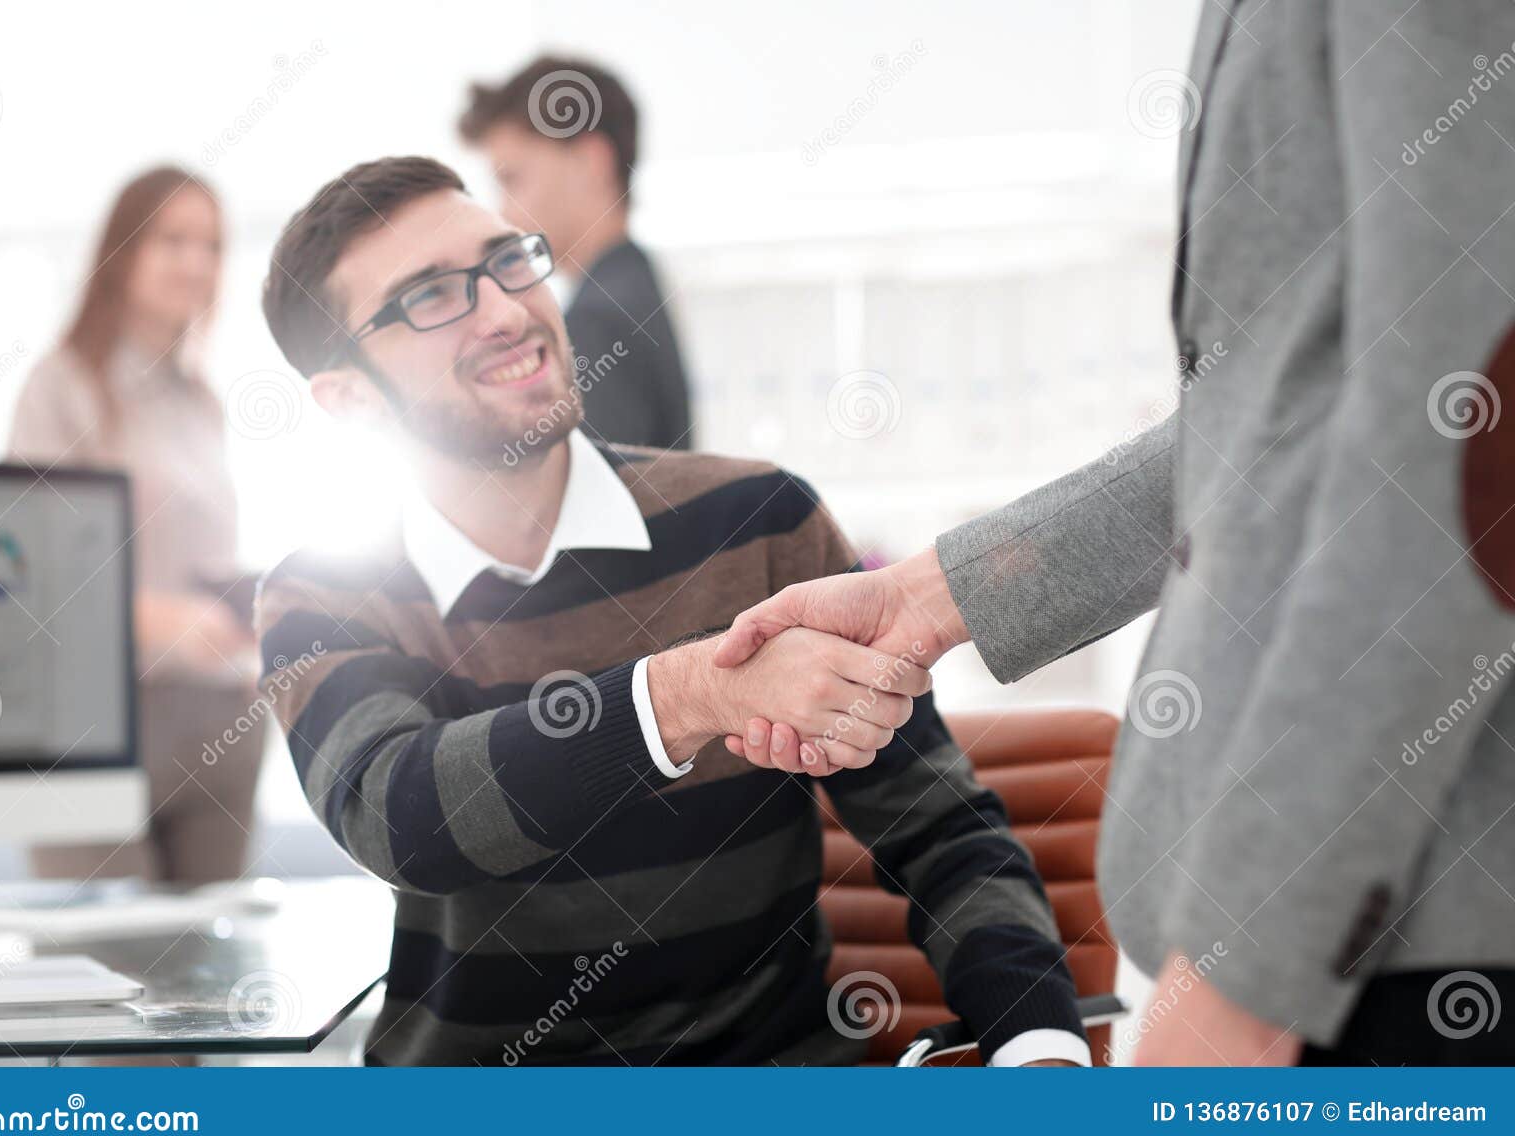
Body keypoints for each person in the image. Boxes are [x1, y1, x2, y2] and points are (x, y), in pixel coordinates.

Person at [714, 0, 1515, 1067]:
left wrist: (1252, 973)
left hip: (1415, 956)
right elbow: (1266, 423)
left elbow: (1461, 440)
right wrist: (924, 599)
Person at [254, 155, 1086, 1066]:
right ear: (349, 398)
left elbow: (940, 831)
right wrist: (689, 697)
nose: (504, 309)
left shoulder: (759, 522)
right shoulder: (323, 595)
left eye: (509, 262)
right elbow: (402, 814)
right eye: (430, 298)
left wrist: (1039, 1048)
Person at [8, 166, 261, 884]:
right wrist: (159, 619)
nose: (197, 262)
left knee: (206, 972)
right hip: (96, 724)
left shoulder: (201, 401)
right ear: (123, 252)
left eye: (211, 245)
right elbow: (29, 570)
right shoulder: (63, 385)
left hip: (216, 718)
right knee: (101, 972)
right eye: (173, 239)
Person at [458, 55, 693, 451]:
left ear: (591, 161)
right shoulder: (633, 282)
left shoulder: (595, 321)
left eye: (513, 179)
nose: (503, 212)